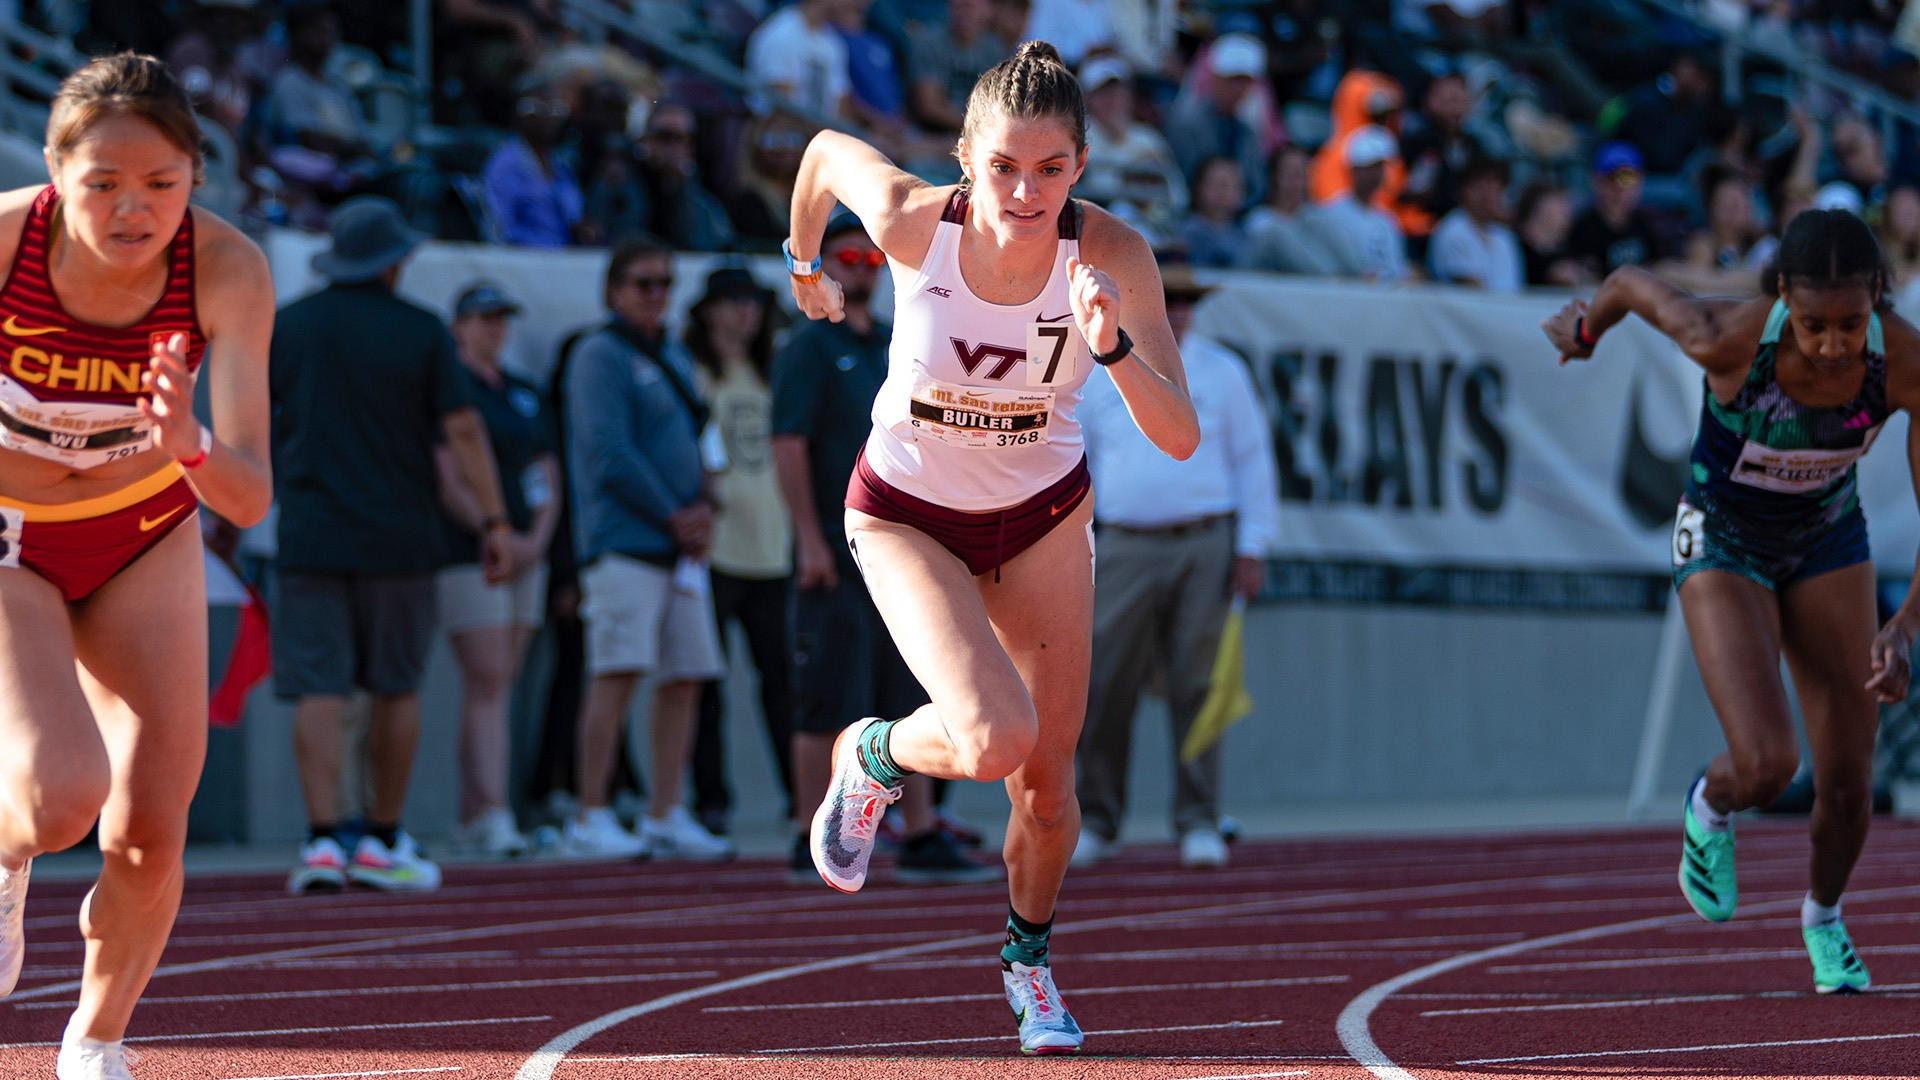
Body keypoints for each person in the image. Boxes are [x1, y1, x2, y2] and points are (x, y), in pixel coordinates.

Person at [787, 40, 1200, 1053]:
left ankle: (1028, 963)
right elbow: (826, 154)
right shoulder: (915, 223)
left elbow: (1178, 436)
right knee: (987, 739)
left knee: (1047, 792)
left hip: (1043, 517)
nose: (1026, 191)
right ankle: (872, 751)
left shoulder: (1112, 255)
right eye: (1005, 166)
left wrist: (1109, 350)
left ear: (1081, 169)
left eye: (1051, 170)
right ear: (966, 156)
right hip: (907, 513)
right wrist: (802, 263)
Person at [1541, 209, 1913, 996]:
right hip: (1723, 535)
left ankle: (1824, 919)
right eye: (1813, 326)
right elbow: (1627, 284)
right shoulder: (1725, 338)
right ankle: (1710, 805)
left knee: (1849, 783)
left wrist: (1904, 624)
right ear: (1781, 297)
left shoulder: (1905, 362)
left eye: (1852, 325)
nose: (1834, 345)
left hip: (1828, 540)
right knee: (1769, 765)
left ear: (1879, 299)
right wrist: (1587, 333)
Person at [0, 51, 274, 1080]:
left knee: (151, 827)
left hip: (144, 531)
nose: (131, 211)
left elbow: (250, 493)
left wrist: (189, 445)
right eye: (103, 183)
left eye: (159, 184)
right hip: (11, 535)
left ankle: (95, 1044)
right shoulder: (4, 243)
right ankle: (5, 851)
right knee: (58, 793)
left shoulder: (228, 269)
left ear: (195, 177)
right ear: (54, 173)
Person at [275, 196, 512, 897]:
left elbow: (250, 423)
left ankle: (321, 841)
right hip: (401, 536)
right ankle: (380, 839)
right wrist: (494, 521)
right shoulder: (420, 330)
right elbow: (464, 430)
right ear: (391, 263)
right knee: (395, 686)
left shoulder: (289, 326)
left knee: (318, 689)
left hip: (310, 532)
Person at [771, 215, 999, 886]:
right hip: (838, 554)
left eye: (873, 256)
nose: (863, 267)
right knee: (825, 694)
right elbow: (788, 446)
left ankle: (921, 832)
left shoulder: (892, 345)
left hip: (904, 554)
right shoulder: (808, 348)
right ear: (821, 265)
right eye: (847, 255)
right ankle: (803, 830)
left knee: (916, 690)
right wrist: (809, 540)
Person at [1072, 266, 1278, 871]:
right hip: (1122, 545)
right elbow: (1075, 461)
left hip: (1205, 542)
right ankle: (1100, 821)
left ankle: (1198, 818)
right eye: (1168, 300)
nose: (1179, 311)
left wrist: (1253, 546)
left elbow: (1252, 458)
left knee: (1199, 683)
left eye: (1186, 301)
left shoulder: (1222, 369)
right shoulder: (1095, 369)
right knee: (1106, 684)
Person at [563, 239, 734, 861]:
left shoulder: (671, 354)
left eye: (664, 283)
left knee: (686, 676)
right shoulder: (597, 354)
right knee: (616, 674)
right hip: (627, 544)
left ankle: (666, 811)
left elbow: (698, 437)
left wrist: (704, 506)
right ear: (613, 290)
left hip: (678, 551)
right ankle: (591, 812)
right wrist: (676, 515)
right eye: (642, 283)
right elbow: (609, 454)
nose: (655, 294)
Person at [436, 282, 559, 858]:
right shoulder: (449, 387)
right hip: (470, 552)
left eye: (501, 318)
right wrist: (495, 531)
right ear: (459, 325)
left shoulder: (520, 392)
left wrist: (533, 536)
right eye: (484, 319)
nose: (495, 329)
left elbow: (545, 471)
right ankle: (491, 810)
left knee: (498, 683)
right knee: (487, 680)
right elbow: (447, 475)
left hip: (520, 550)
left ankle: (477, 811)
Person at [686, 266, 796, 839]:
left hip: (772, 549)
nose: (744, 312)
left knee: (784, 686)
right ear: (707, 310)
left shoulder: (773, 373)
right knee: (706, 685)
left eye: (752, 302)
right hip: (714, 551)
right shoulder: (693, 371)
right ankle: (711, 801)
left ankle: (799, 801)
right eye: (731, 300)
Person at [1428, 155, 1521, 291]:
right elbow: (1471, 291)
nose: (1488, 196)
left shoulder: (1504, 237)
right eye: (1480, 188)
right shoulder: (1453, 230)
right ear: (1463, 190)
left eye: (1494, 188)